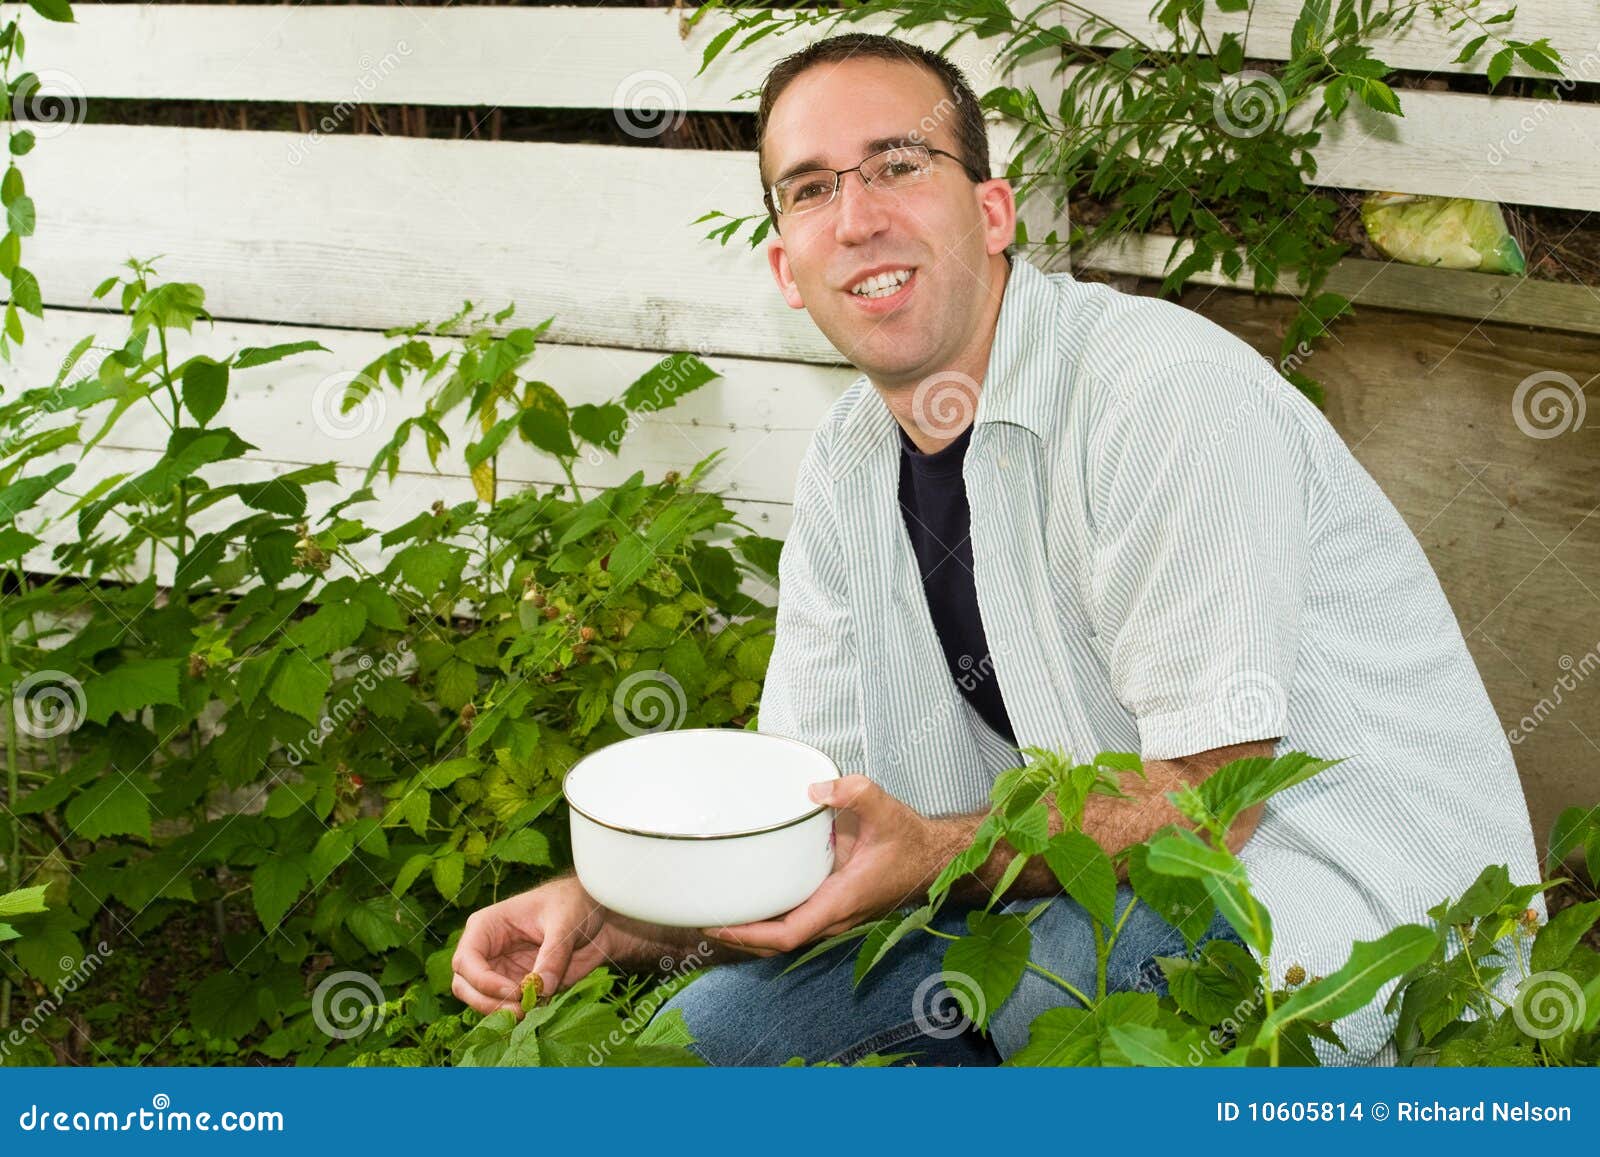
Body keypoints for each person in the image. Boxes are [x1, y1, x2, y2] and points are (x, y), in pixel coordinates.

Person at [453, 32, 1544, 1067]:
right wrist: (609, 910)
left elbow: (1215, 802)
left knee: (1047, 993)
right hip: (1038, 895)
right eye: (811, 187)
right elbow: (817, 832)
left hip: (1318, 905)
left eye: (896, 164)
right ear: (786, 267)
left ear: (990, 211)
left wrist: (937, 854)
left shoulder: (1159, 394)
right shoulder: (846, 467)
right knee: (687, 1045)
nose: (858, 217)